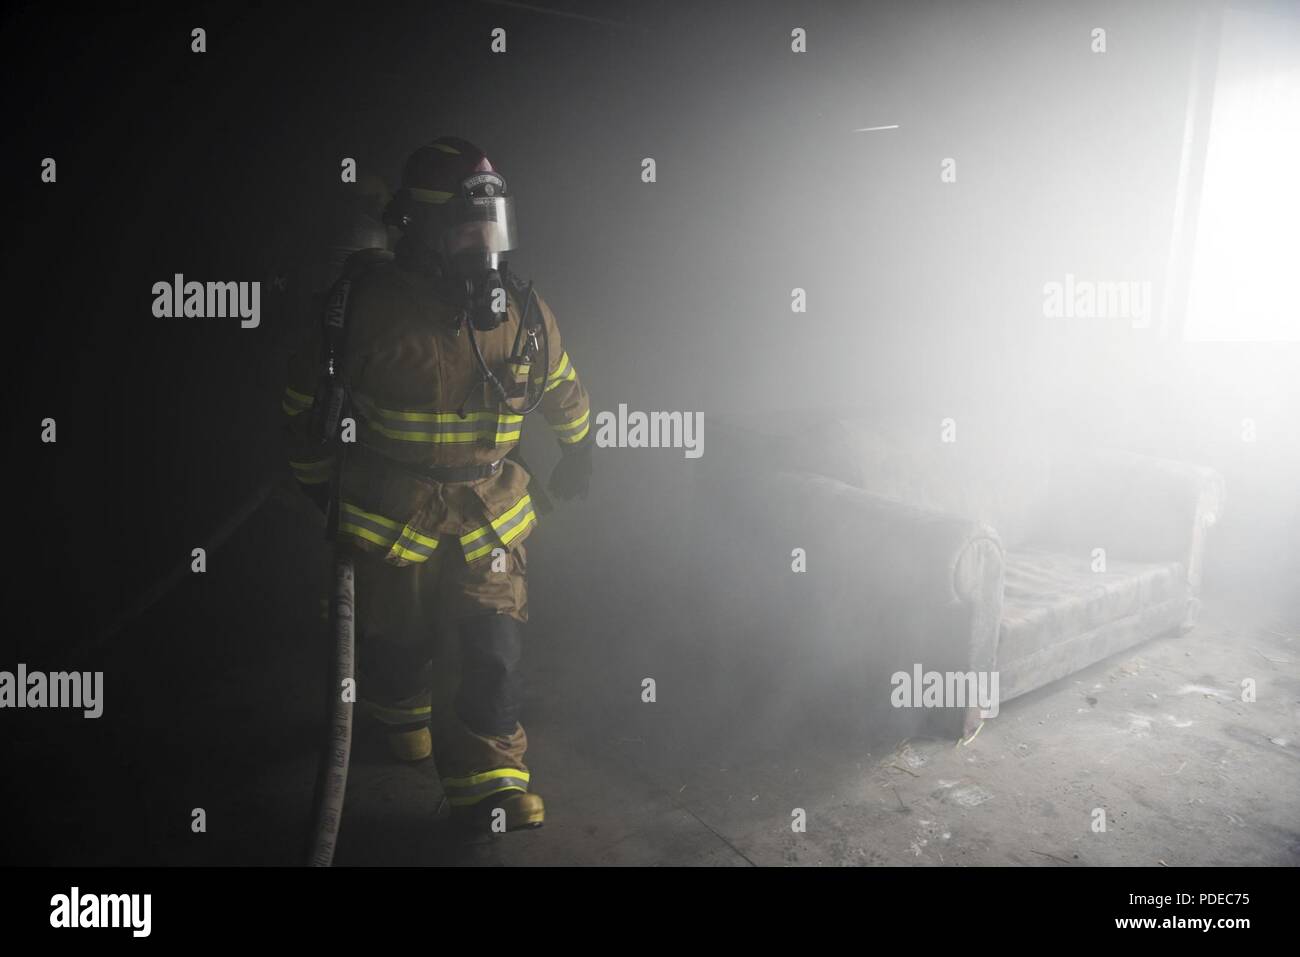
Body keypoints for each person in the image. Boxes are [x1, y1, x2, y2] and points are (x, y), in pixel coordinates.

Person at [282, 137, 593, 832]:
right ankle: (398, 714)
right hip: (394, 519)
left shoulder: (521, 313)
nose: (484, 247)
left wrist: (581, 444)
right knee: (398, 639)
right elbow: (305, 407)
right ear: (420, 231)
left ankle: (490, 788)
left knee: (491, 650)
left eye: (493, 227)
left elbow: (561, 384)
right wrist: (315, 485)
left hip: (489, 516)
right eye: (465, 228)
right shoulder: (362, 311)